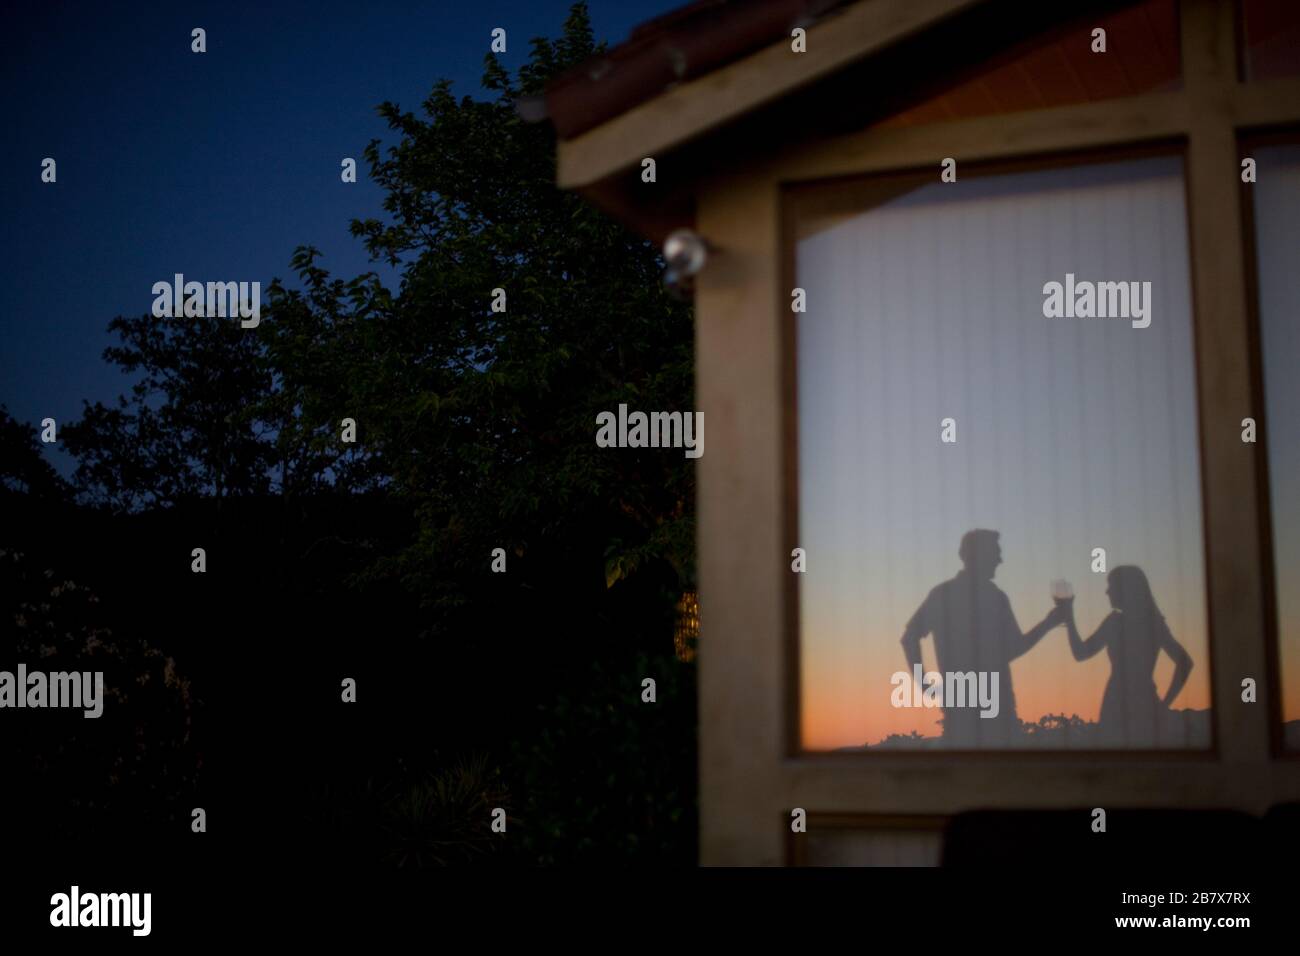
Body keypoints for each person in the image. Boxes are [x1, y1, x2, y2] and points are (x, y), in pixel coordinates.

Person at [900, 529, 1064, 747]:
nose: (1000, 560)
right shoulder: (992, 597)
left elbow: (909, 638)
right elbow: (1013, 649)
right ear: (975, 555)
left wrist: (925, 684)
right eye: (995, 553)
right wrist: (924, 684)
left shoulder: (948, 594)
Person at [1059, 565, 1193, 746]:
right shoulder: (1151, 623)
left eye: (1111, 586)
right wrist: (1164, 705)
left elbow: (1081, 653)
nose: (1107, 592)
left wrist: (1069, 616)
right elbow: (1186, 662)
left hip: (1120, 704)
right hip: (1143, 704)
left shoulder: (1116, 622)